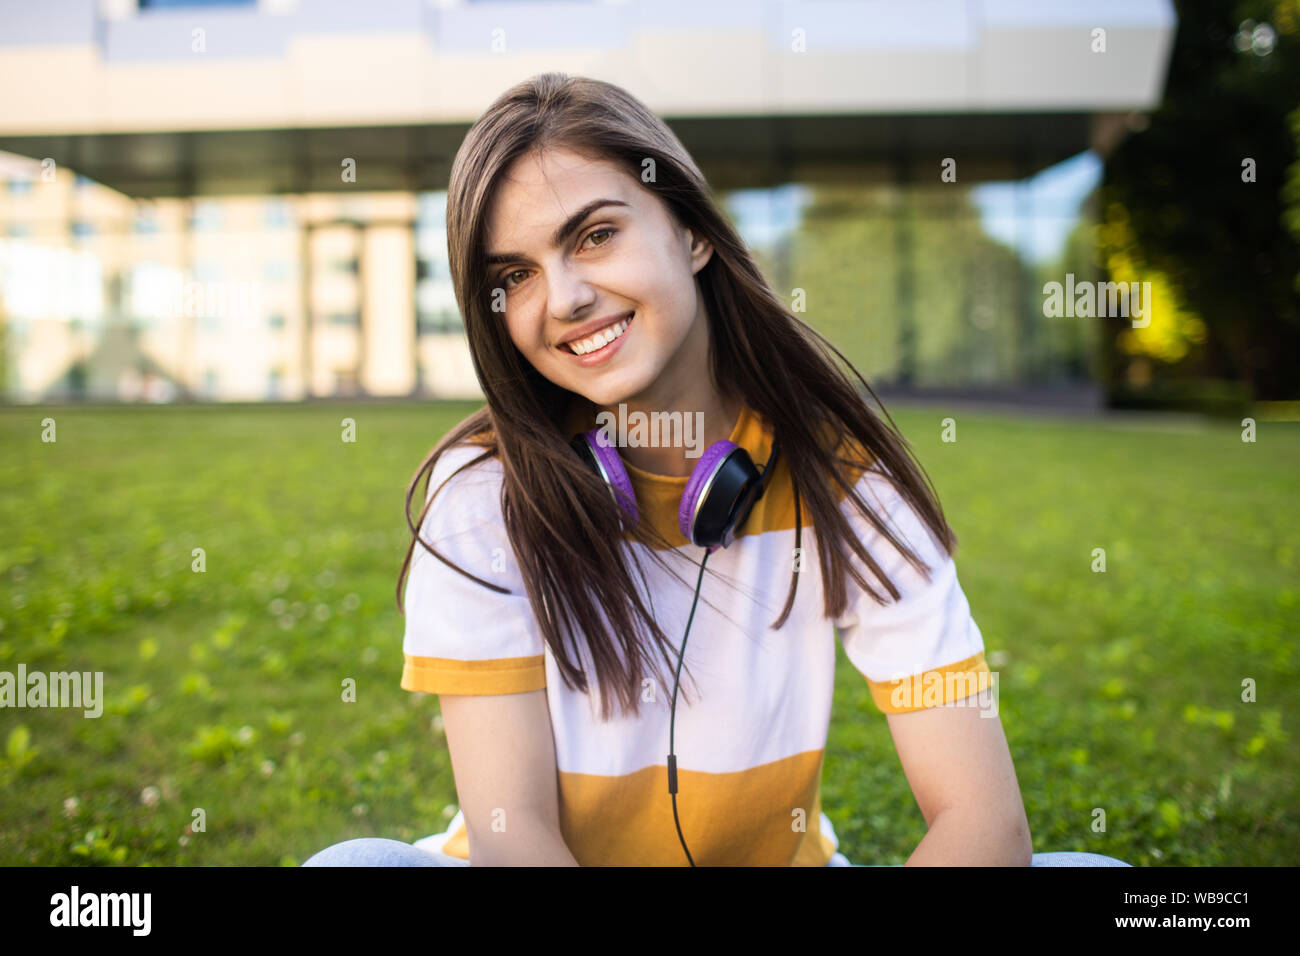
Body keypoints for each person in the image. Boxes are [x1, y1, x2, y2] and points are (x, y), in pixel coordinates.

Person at [304, 72, 1129, 868]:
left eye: (595, 235)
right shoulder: (483, 495)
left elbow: (982, 819)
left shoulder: (847, 480)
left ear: (693, 232)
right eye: (513, 276)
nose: (563, 299)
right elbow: (510, 829)